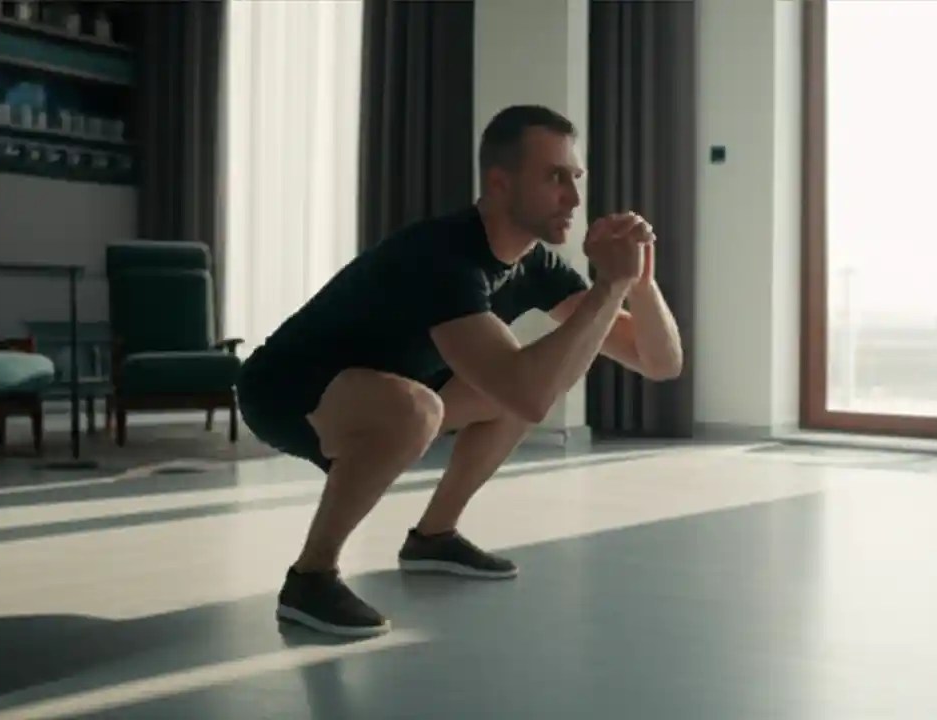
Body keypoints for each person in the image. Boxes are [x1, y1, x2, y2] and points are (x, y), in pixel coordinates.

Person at [236, 104, 684, 638]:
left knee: (519, 378)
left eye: (575, 179)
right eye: (555, 178)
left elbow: (660, 363)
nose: (574, 199)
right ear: (500, 182)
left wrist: (640, 283)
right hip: (284, 392)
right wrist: (608, 287)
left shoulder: (533, 265)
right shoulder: (444, 256)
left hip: (385, 387)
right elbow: (531, 395)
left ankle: (433, 537)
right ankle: (311, 578)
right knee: (433, 404)